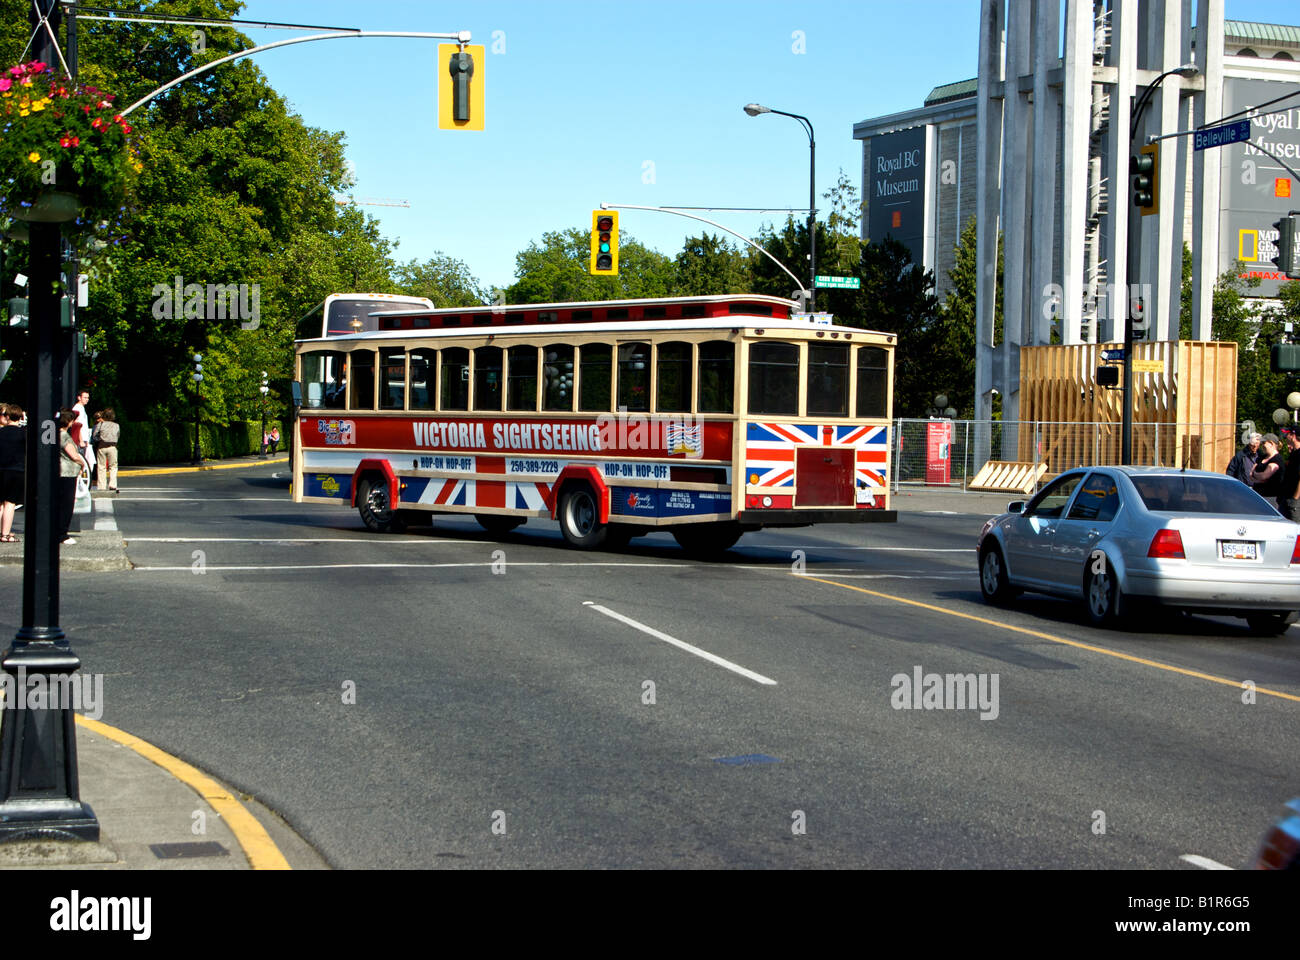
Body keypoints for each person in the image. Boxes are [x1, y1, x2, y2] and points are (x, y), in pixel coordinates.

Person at [57, 409, 89, 545]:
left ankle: (58, 531)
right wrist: (82, 463)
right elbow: (73, 455)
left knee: (59, 502)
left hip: (59, 471)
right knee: (67, 503)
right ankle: (62, 534)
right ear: (69, 422)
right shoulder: (64, 436)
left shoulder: (53, 434)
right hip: (68, 472)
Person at [0, 403, 25, 543]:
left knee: (0, 504)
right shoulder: (24, 434)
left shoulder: (1, 432)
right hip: (17, 470)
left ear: (7, 416)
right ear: (21, 417)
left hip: (1, 469)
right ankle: (5, 534)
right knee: (10, 503)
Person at [93, 407, 121, 492]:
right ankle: (112, 484)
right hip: (112, 446)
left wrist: (100, 440)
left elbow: (95, 436)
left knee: (101, 467)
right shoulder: (116, 425)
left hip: (102, 446)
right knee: (113, 466)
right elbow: (118, 435)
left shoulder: (100, 424)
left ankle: (101, 485)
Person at [1252, 433, 1284, 501]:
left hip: (1271, 497)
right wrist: (1258, 478)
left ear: (1271, 444)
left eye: (1264, 443)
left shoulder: (1277, 459)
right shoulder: (1261, 457)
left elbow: (1264, 476)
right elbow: (1250, 474)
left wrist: (1255, 474)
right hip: (1258, 495)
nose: (1262, 445)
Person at [1278, 428, 1300, 522]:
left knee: (1295, 529)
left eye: (1287, 434)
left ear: (1293, 436)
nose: (1286, 437)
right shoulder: (1294, 454)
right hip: (1286, 498)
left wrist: (1295, 498)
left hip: (1294, 500)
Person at [72, 388, 92, 484]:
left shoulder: (82, 408)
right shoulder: (77, 409)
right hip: (80, 440)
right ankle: (78, 483)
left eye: (88, 397)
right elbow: (77, 425)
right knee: (80, 462)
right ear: (79, 397)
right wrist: (81, 440)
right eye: (84, 397)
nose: (87, 399)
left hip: (83, 439)